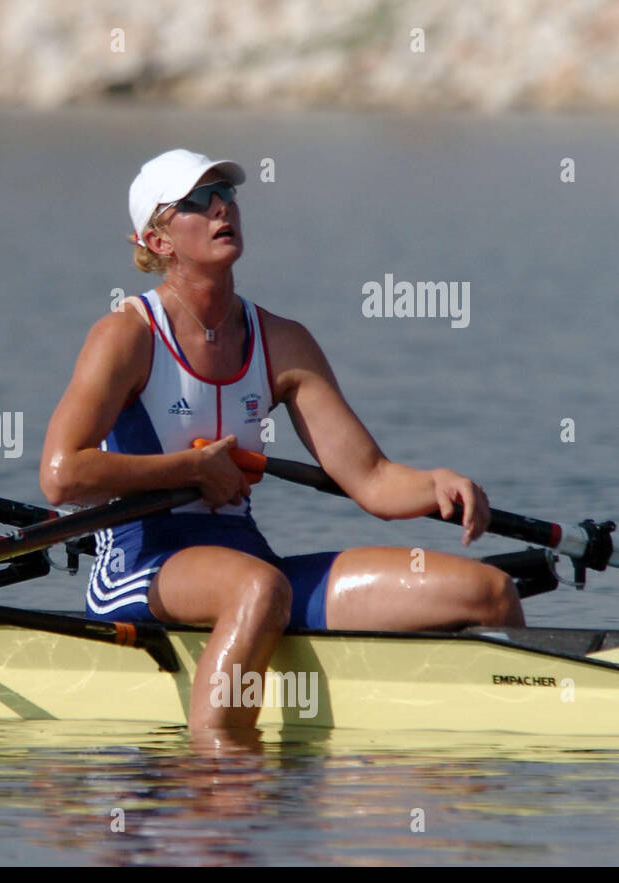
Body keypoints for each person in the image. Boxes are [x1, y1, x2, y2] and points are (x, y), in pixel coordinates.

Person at [39, 148, 522, 729]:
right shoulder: (125, 335)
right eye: (197, 200)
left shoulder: (282, 341)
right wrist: (189, 471)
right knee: (259, 589)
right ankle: (218, 774)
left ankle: (512, 740)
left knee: (490, 592)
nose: (222, 207)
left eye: (227, 194)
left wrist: (436, 482)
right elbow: (63, 475)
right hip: (143, 563)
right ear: (159, 240)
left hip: (248, 560)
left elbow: (369, 478)